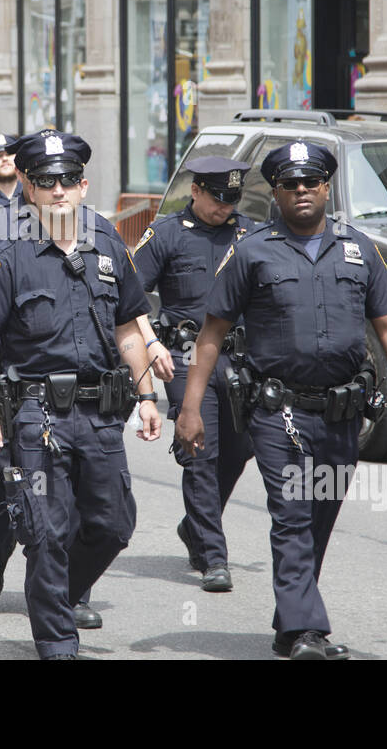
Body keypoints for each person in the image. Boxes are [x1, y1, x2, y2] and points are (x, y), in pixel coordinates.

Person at [176, 140, 387, 660]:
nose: (300, 192)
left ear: (325, 188)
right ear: (275, 191)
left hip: (341, 413)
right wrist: (189, 407)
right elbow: (212, 332)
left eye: (310, 182)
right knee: (292, 514)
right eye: (290, 184)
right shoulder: (252, 251)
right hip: (278, 413)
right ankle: (306, 630)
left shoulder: (359, 248)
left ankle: (290, 622)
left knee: (320, 516)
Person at [0, 135, 168, 625]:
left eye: (66, 179)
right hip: (15, 386)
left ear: (81, 183)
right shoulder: (0, 230)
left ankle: (64, 591)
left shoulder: (100, 235)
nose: (57, 188)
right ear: (27, 180)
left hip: (90, 398)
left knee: (88, 505)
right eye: (45, 179)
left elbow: (124, 312)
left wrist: (148, 363)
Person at [132, 156, 260, 592]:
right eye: (217, 198)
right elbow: (129, 298)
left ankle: (195, 525)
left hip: (242, 359)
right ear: (196, 191)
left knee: (241, 448)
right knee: (200, 449)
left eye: (233, 199)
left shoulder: (251, 235)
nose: (225, 207)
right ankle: (213, 555)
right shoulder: (167, 234)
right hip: (185, 356)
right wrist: (150, 346)